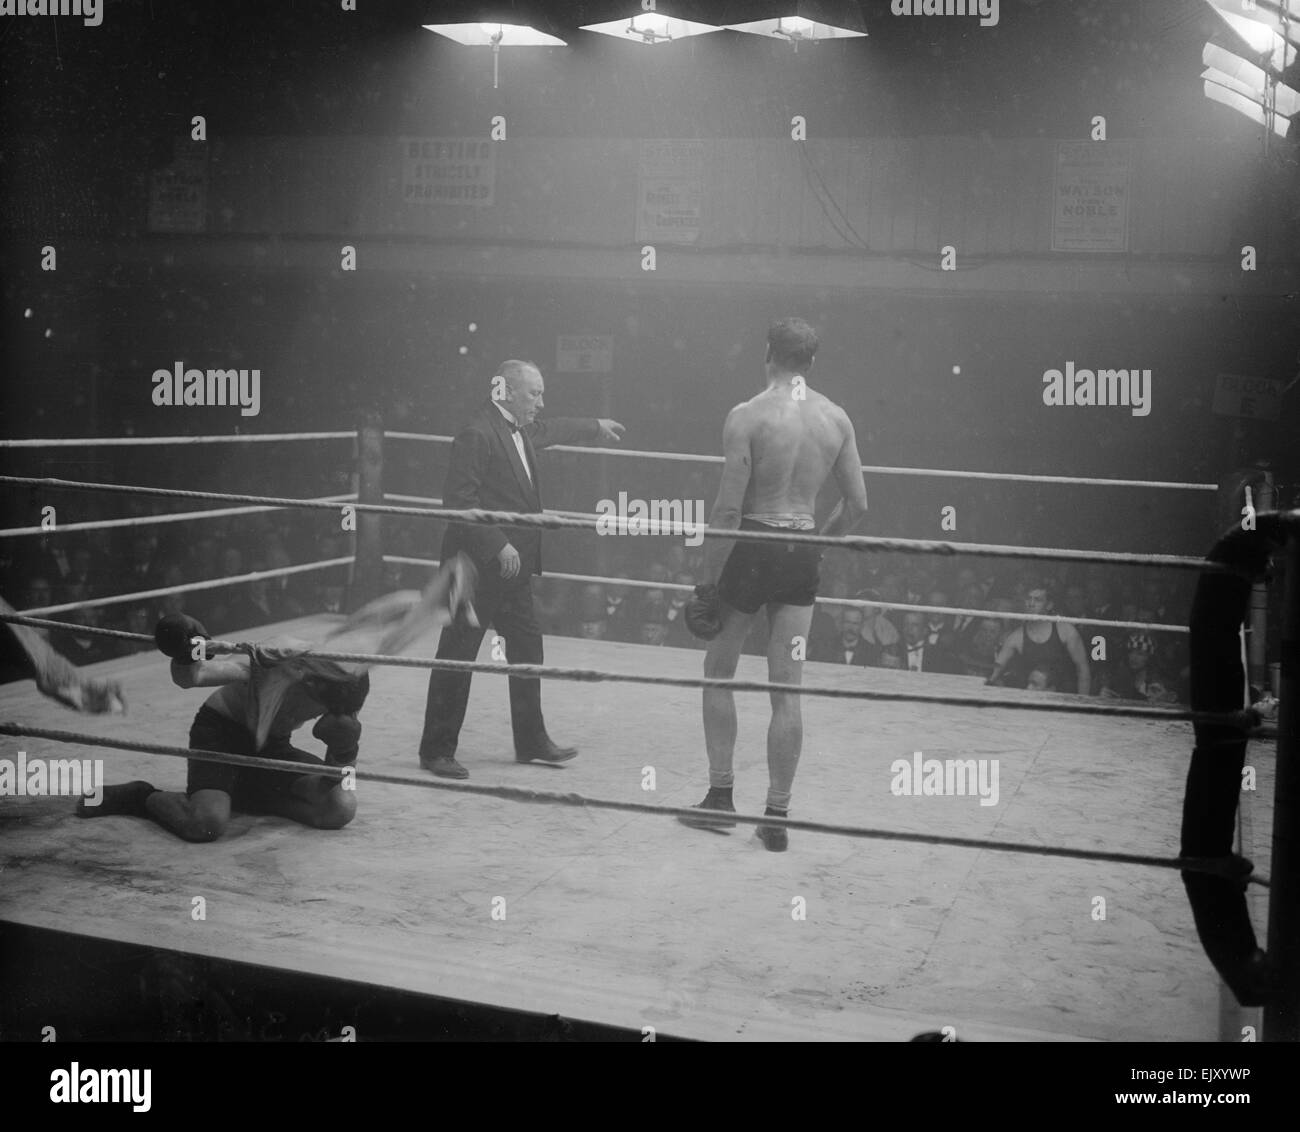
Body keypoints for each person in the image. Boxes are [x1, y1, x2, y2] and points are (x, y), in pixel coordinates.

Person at [77, 557, 477, 842]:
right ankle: (142, 795)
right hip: (223, 733)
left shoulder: (351, 673)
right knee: (207, 826)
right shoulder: (278, 663)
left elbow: (401, 619)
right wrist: (188, 650)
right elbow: (191, 678)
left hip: (271, 747)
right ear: (312, 681)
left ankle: (251, 791)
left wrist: (344, 749)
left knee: (340, 808)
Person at [681, 317, 869, 851]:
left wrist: (706, 582)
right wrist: (817, 545)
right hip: (799, 548)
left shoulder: (747, 416)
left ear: (768, 355)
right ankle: (777, 817)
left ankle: (720, 799)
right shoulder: (836, 418)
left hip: (753, 545)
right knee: (787, 690)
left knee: (719, 671)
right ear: (811, 362)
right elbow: (858, 505)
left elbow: (726, 510)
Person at [417, 360, 625, 779]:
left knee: (528, 646)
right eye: (534, 394)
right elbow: (458, 502)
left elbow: (550, 430)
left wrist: (594, 425)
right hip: (474, 568)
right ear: (508, 391)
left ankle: (530, 740)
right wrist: (497, 543)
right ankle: (436, 750)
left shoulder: (516, 427)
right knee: (458, 654)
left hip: (513, 571)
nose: (541, 403)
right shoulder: (477, 432)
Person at [986, 583, 1091, 694]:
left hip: (1063, 697)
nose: (1031, 604)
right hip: (1031, 697)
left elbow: (1083, 670)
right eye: (1028, 599)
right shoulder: (1016, 637)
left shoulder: (1066, 630)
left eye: (1037, 600)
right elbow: (995, 671)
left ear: (1049, 605)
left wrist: (1081, 702)